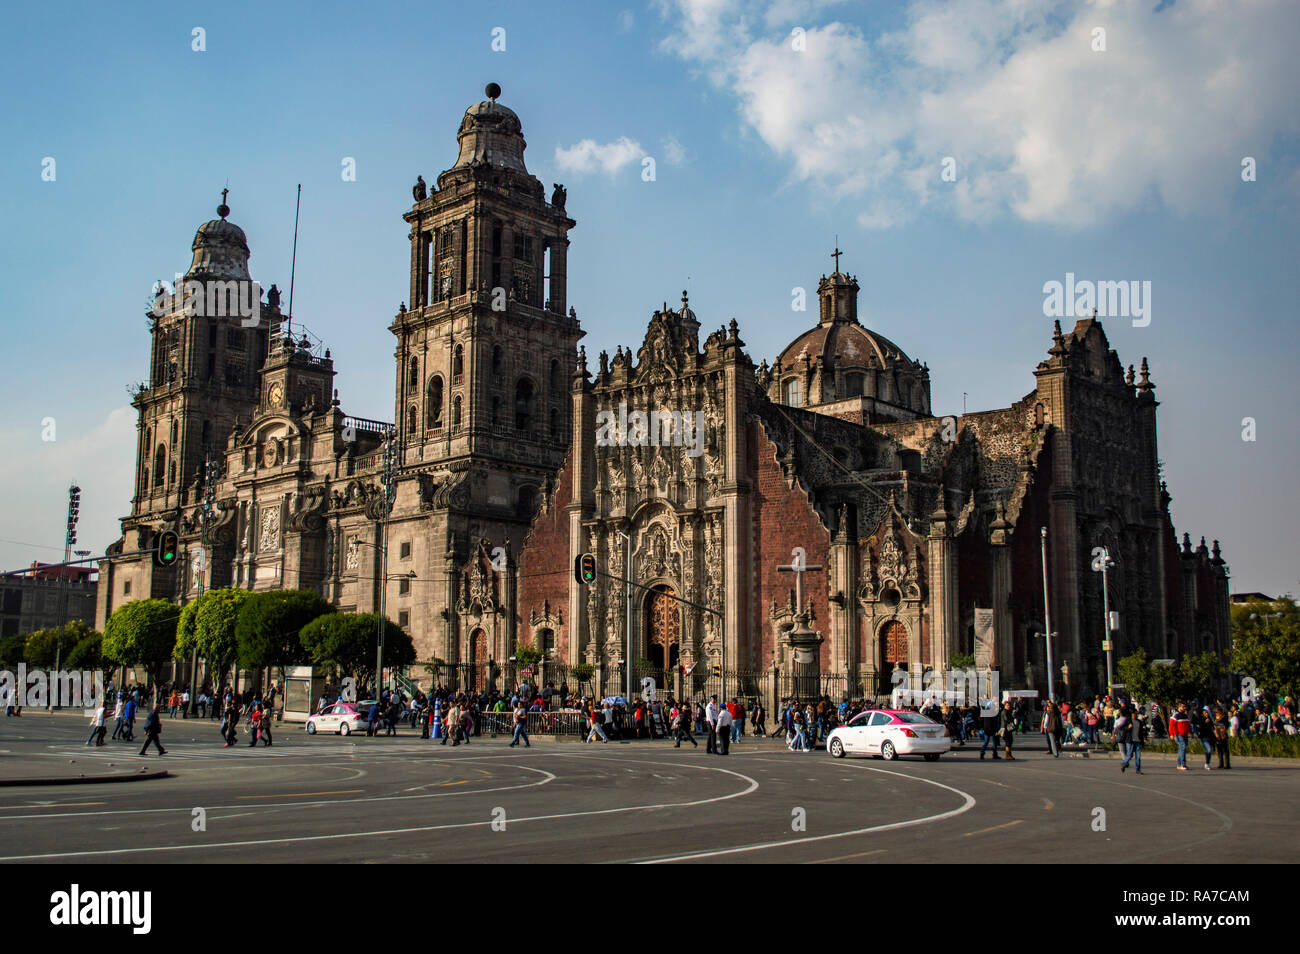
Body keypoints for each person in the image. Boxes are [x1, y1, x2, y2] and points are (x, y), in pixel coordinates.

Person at [1170, 702, 1192, 770]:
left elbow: (1188, 725)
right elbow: (1171, 725)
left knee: (1182, 749)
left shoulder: (1185, 715)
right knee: (1183, 747)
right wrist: (1172, 734)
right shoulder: (1176, 715)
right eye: (1183, 707)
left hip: (1185, 734)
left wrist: (1191, 733)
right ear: (1179, 707)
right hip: (1178, 734)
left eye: (1185, 707)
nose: (1184, 708)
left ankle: (1180, 764)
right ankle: (1182, 764)